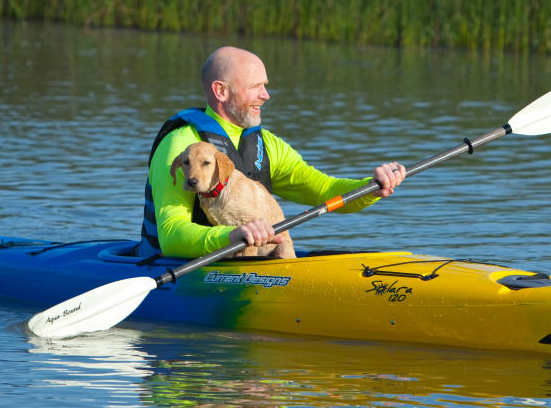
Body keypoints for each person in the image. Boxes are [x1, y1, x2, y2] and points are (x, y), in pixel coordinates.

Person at [139, 46, 405, 258]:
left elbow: (325, 190)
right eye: (256, 86)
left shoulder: (266, 145)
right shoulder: (182, 146)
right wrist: (232, 236)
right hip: (177, 269)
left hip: (248, 261)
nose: (266, 95)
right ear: (221, 91)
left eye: (264, 85)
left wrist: (372, 187)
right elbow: (171, 235)